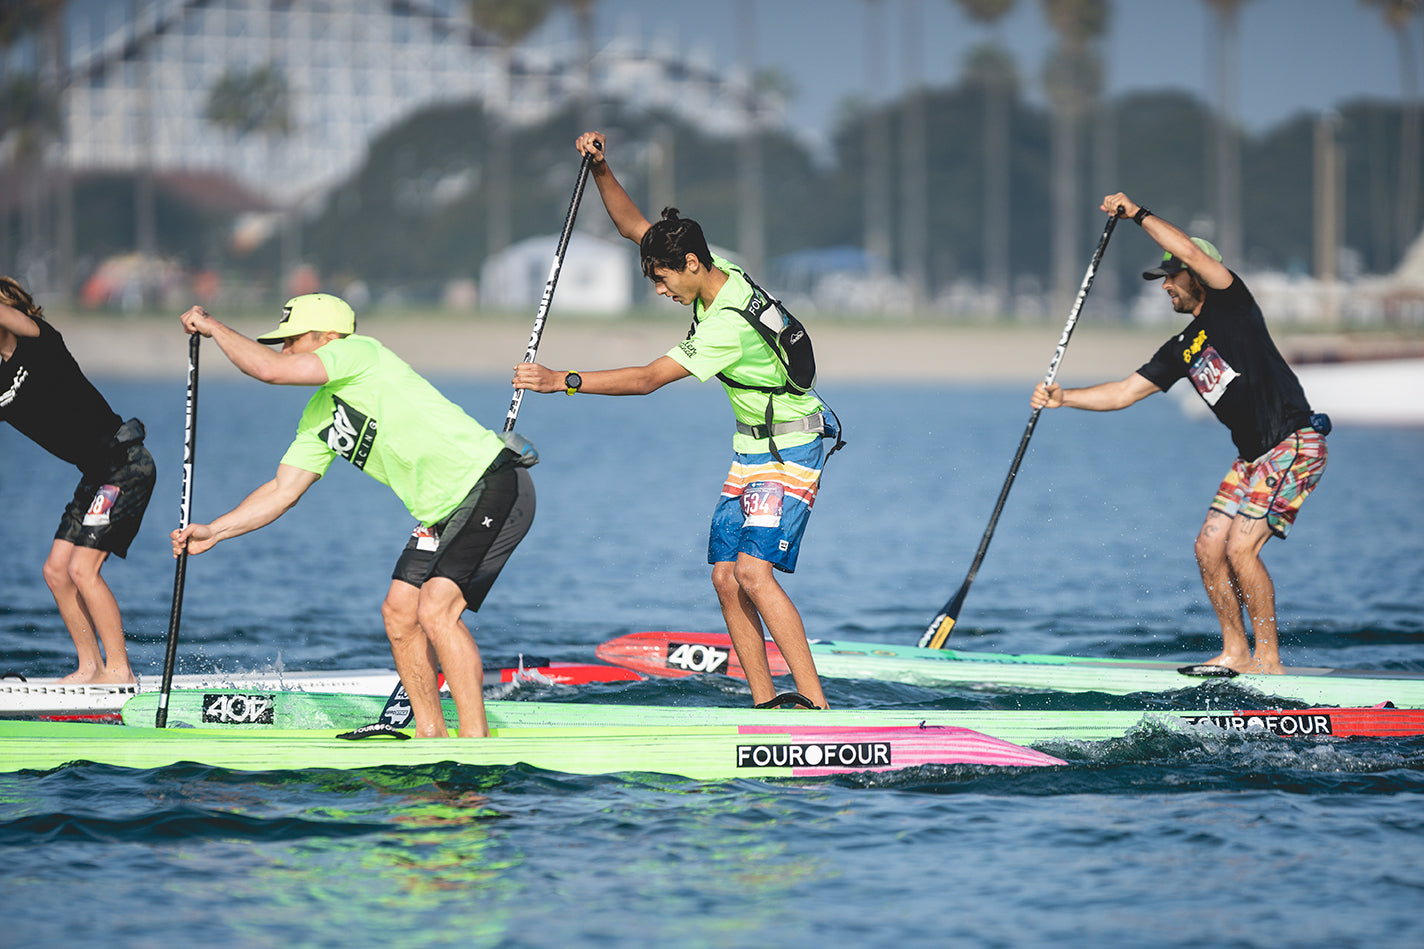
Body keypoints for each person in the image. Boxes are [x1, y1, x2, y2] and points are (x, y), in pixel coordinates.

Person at [513, 131, 835, 709]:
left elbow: (647, 379)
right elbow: (635, 227)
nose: (660, 290)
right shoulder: (715, 270)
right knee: (724, 577)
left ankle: (815, 706)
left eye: (662, 280)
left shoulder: (726, 323)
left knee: (755, 575)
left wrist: (562, 380)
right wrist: (602, 169)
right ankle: (765, 703)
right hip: (751, 450)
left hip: (793, 448)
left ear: (690, 264)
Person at [171, 293, 535, 737]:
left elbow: (268, 370)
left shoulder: (359, 352)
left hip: (490, 485)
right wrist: (216, 530)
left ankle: (475, 741)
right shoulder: (320, 415)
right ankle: (429, 732)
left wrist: (213, 326)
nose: (284, 349)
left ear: (329, 337)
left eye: (291, 339)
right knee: (399, 613)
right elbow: (283, 490)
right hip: (440, 513)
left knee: (436, 610)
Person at [1030, 193, 1328, 676]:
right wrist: (1065, 398)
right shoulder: (1181, 348)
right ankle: (1236, 652)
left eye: (1172, 276)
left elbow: (1190, 252)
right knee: (1209, 548)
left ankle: (1268, 661)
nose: (1166, 285)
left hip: (1293, 443)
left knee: (1240, 548)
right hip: (1253, 458)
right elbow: (1124, 392)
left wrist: (1138, 215)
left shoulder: (1233, 306)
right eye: (1162, 278)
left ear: (1199, 272)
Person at [0, 276, 157, 683]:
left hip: (125, 463)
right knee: (56, 571)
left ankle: (119, 670)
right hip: (96, 475)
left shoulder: (41, 341)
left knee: (83, 570)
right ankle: (91, 667)